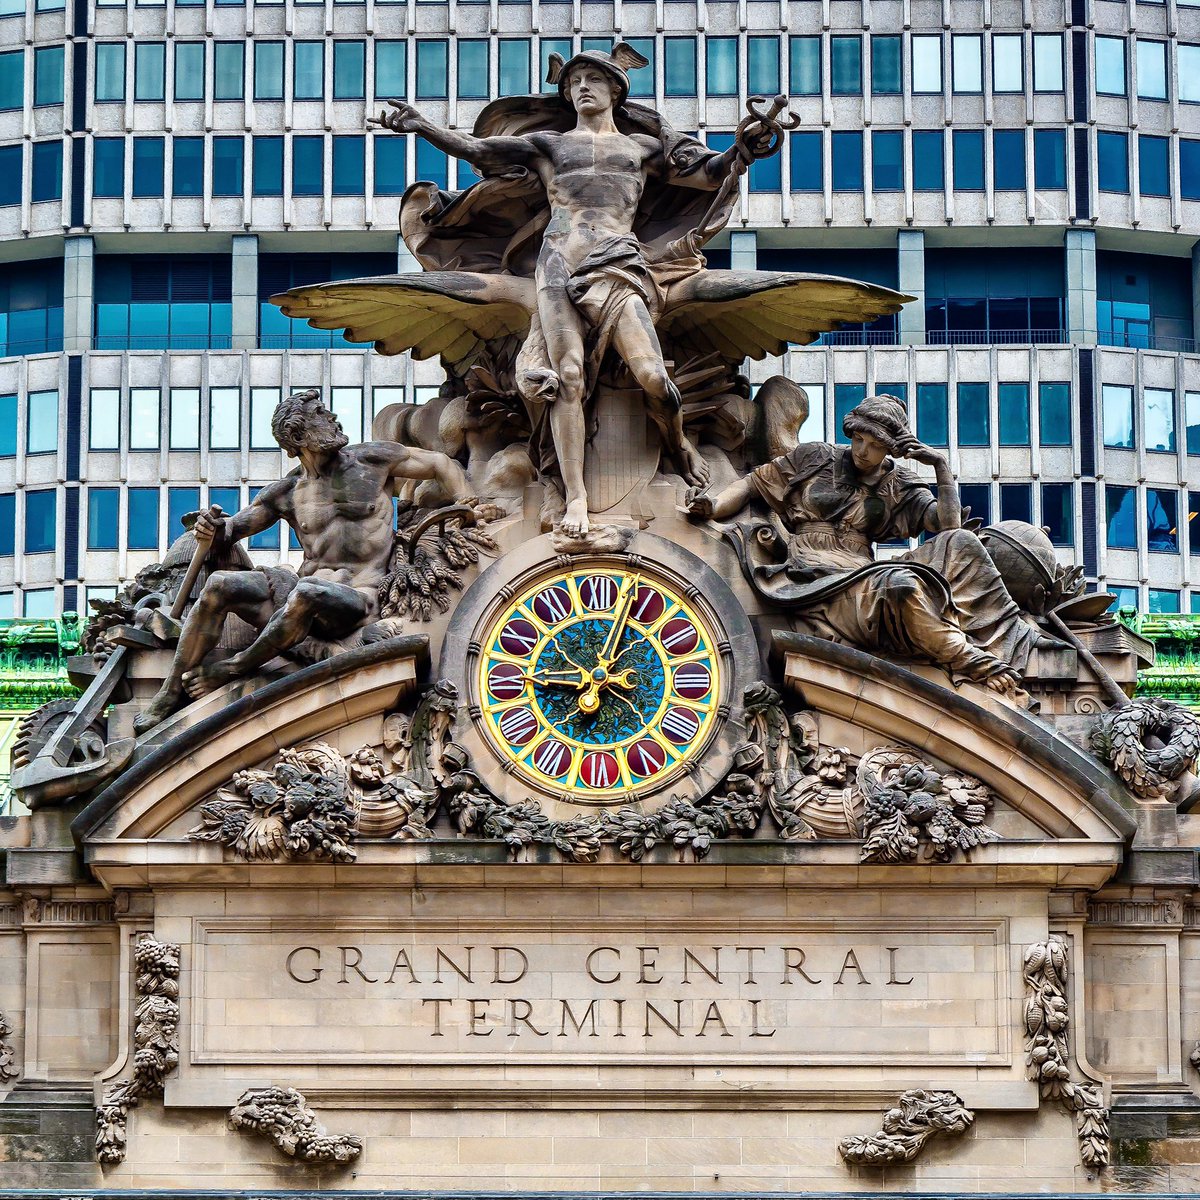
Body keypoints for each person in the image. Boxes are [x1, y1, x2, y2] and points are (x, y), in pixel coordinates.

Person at [372, 44, 772, 537]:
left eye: (593, 80)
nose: (582, 88)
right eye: (574, 82)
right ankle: (576, 496)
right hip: (559, 262)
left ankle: (679, 444)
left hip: (618, 262)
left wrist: (746, 148)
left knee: (653, 378)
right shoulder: (550, 145)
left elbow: (710, 172)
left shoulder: (642, 149)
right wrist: (423, 125)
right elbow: (476, 150)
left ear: (614, 90)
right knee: (565, 377)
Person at [134, 390, 485, 732]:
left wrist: (470, 501)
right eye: (319, 414)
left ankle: (231, 668)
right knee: (219, 585)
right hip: (299, 595)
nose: (331, 417)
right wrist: (212, 527)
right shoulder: (287, 492)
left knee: (308, 592)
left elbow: (440, 463)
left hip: (359, 597)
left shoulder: (371, 461)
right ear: (297, 435)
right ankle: (169, 693)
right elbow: (236, 527)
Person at [687, 395, 1048, 696]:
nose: (863, 450)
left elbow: (948, 527)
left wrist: (940, 466)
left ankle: (1008, 634)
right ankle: (966, 658)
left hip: (861, 569)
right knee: (902, 586)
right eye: (859, 438)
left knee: (963, 542)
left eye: (875, 446)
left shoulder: (897, 483)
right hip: (811, 573)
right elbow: (752, 485)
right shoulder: (814, 457)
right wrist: (713, 506)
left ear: (892, 449)